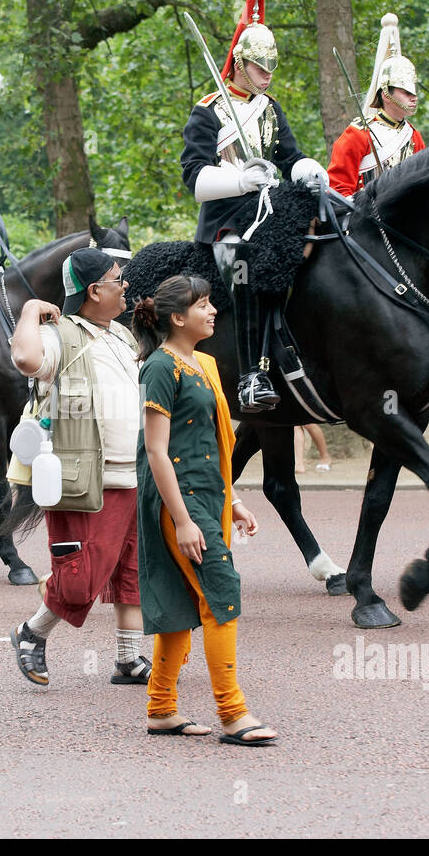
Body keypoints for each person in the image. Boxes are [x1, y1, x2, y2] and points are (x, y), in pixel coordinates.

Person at [134, 275, 276, 745]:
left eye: (212, 303)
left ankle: (160, 709)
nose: (213, 311)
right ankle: (233, 714)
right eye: (203, 305)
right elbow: (156, 450)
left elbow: (213, 442)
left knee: (180, 605)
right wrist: (183, 520)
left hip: (210, 498)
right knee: (222, 597)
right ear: (178, 318)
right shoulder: (161, 366)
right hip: (182, 502)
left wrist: (232, 500)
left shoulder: (207, 363)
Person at [180, 0, 327, 414]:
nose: (267, 75)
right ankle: (249, 376)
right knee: (244, 268)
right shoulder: (209, 109)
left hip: (271, 210)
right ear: (240, 64)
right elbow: (194, 178)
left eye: (271, 68)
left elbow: (291, 156)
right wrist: (242, 180)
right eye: (260, 67)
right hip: (227, 219)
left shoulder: (270, 108)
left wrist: (309, 170)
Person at [8, 247, 150, 687]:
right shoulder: (60, 335)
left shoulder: (122, 336)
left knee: (131, 567)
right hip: (82, 479)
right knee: (80, 576)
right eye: (116, 279)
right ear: (93, 290)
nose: (124, 285)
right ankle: (31, 632)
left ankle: (128, 658)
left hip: (133, 474)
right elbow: (24, 359)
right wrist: (31, 309)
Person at [327, 14, 426, 197]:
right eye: (406, 92)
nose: (413, 98)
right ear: (386, 94)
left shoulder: (414, 137)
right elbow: (338, 190)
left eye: (414, 92)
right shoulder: (358, 133)